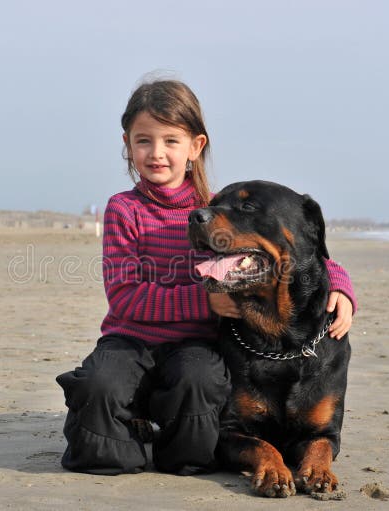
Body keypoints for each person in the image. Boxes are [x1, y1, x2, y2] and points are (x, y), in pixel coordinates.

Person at [56, 79, 356, 476]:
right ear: (127, 145)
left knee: (197, 409)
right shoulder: (125, 209)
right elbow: (125, 297)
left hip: (193, 345)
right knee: (101, 398)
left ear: (195, 147)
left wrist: (340, 284)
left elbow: (300, 250)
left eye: (171, 141)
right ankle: (117, 428)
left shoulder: (213, 208)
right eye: (144, 141)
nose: (157, 153)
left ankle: (169, 445)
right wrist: (205, 301)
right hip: (131, 340)